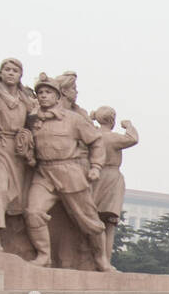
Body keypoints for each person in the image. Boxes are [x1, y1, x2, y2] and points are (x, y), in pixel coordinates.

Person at [24, 78, 110, 270]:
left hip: (70, 172)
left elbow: (96, 141)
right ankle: (44, 256)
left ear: (57, 96)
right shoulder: (32, 119)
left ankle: (102, 260)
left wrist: (95, 166)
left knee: (90, 221)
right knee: (33, 212)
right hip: (44, 173)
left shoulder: (73, 119)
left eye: (48, 92)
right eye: (41, 93)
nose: (44, 96)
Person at [0, 58, 37, 251]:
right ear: (1, 72)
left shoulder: (26, 99)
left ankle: (7, 236)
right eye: (7, 69)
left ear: (20, 75)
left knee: (15, 196)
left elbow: (34, 124)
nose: (11, 73)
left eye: (15, 70)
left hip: (16, 150)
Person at [90, 106, 139, 264]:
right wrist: (129, 126)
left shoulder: (92, 135)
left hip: (93, 178)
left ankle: (93, 260)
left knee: (91, 220)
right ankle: (105, 260)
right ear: (112, 120)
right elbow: (133, 139)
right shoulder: (112, 137)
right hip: (111, 178)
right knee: (109, 224)